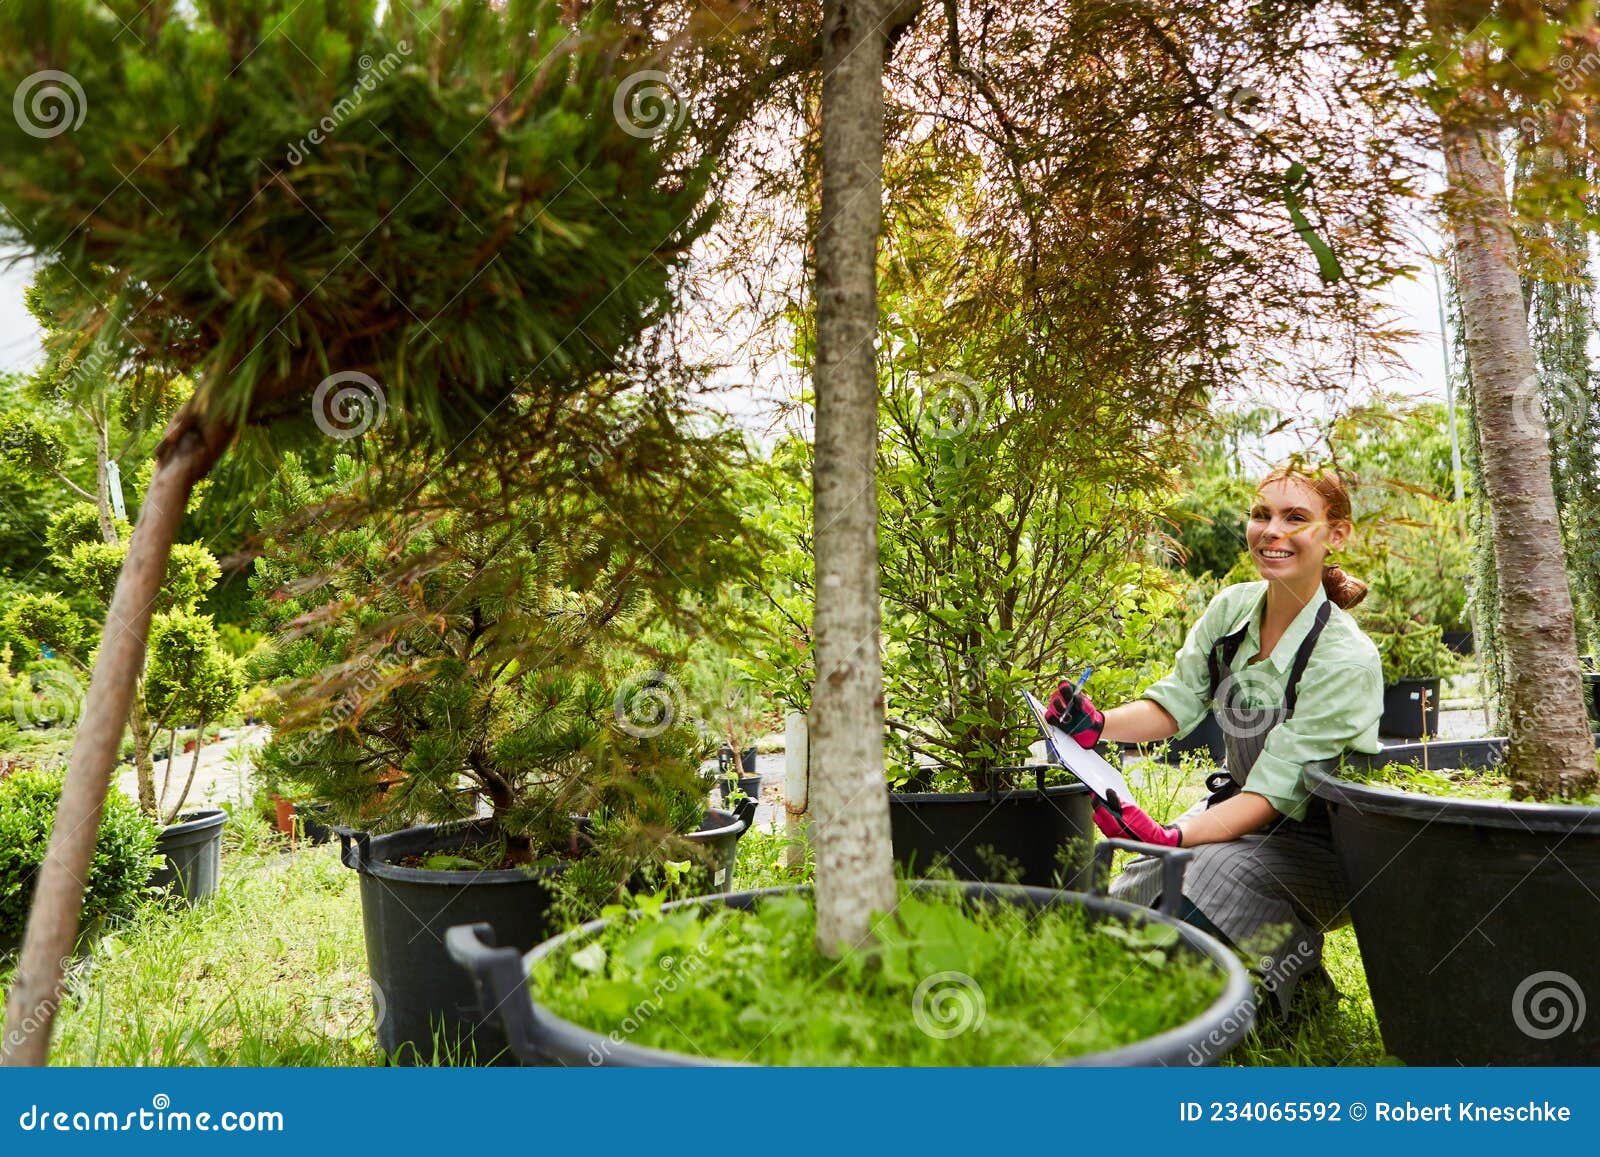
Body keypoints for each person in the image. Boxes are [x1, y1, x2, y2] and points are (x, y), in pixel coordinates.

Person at [1045, 464, 1383, 1016]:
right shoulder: (1231, 610)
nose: (1271, 531)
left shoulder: (1345, 659)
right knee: (1136, 888)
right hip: (1238, 814)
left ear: (1336, 534)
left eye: (1295, 518)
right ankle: (1244, 984)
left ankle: (1294, 1000)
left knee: (1204, 877)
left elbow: (1275, 792)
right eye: (1261, 515)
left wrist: (1174, 834)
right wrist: (1098, 724)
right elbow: (1174, 703)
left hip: (1323, 846)